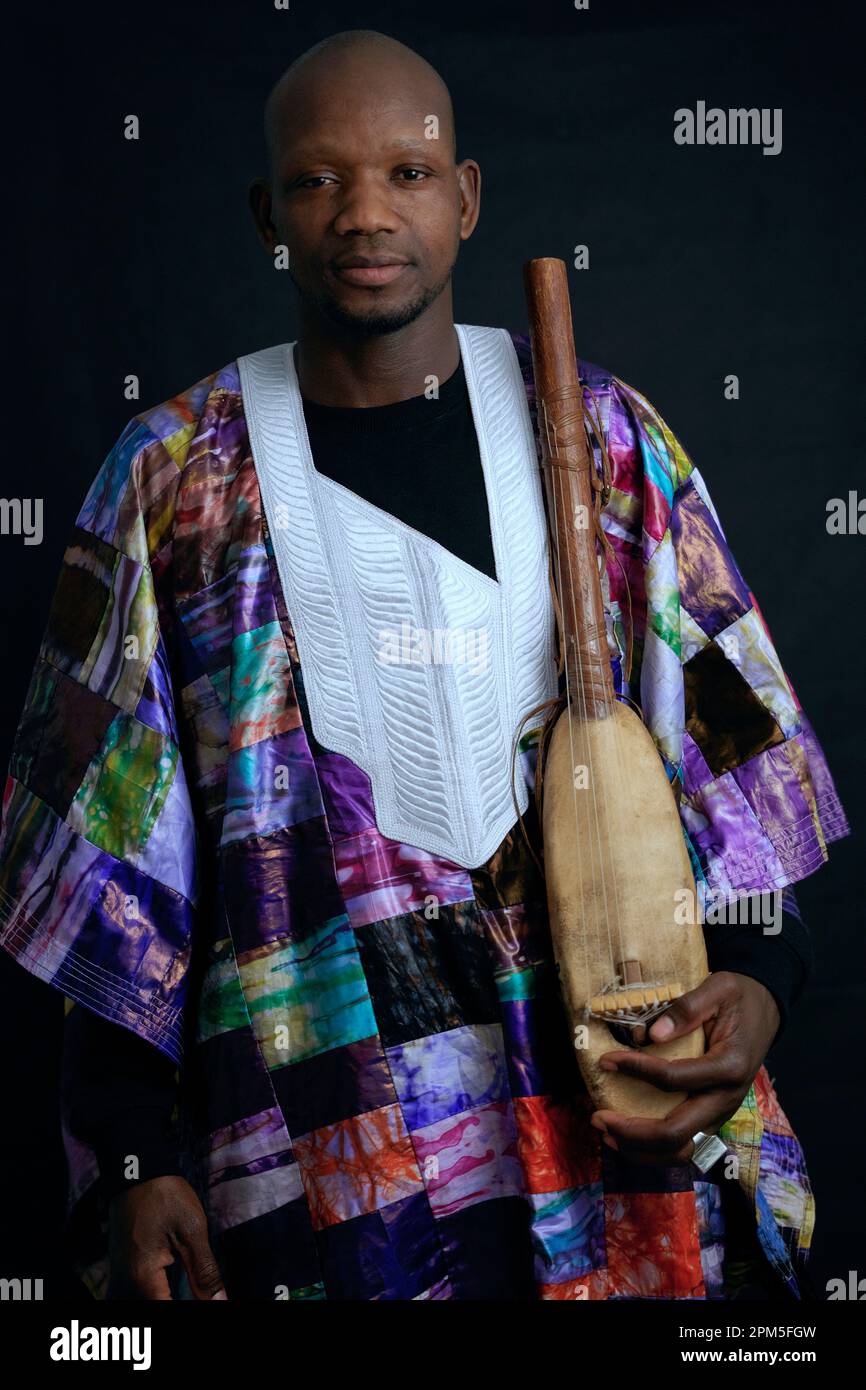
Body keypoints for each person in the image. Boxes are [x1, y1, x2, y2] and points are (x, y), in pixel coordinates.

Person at [0, 29, 848, 1302]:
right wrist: (132, 1159)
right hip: (315, 1155)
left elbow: (732, 783)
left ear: (465, 198)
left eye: (406, 171)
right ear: (265, 215)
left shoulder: (609, 444)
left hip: (617, 1139)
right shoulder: (171, 480)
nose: (363, 214)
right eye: (317, 181)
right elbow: (110, 882)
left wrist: (758, 990)